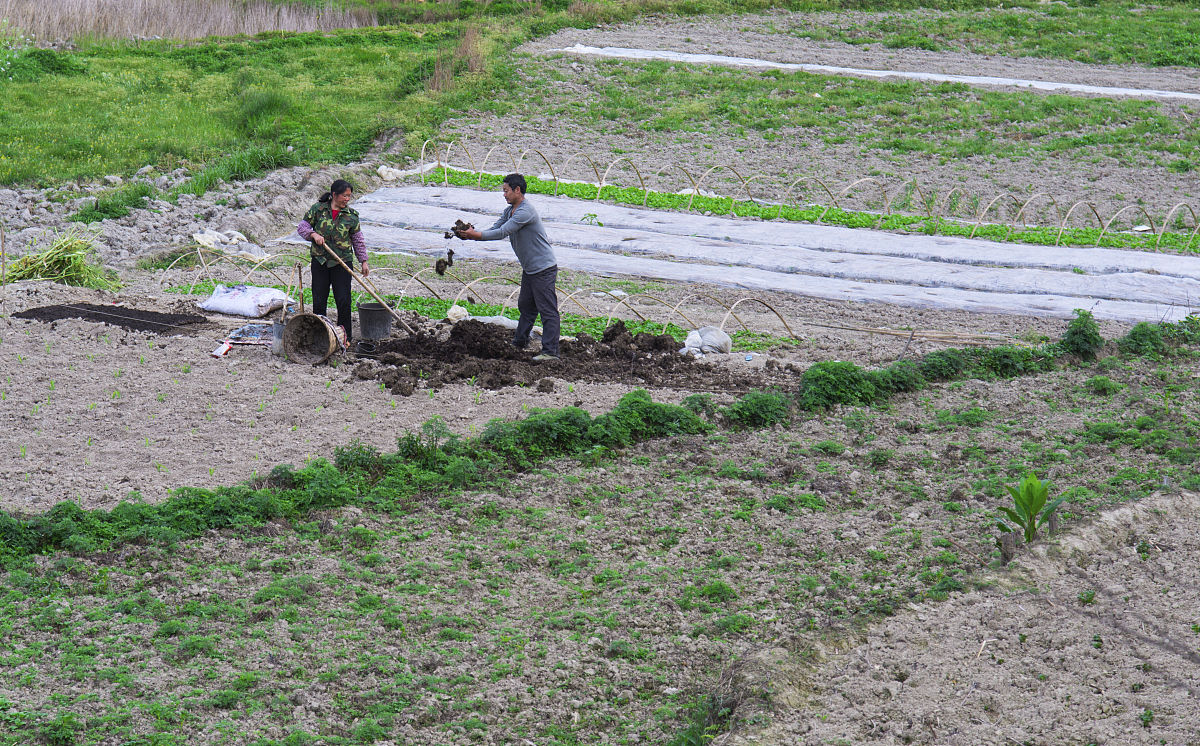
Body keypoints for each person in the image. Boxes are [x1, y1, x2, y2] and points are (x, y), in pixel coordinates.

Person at [456, 174, 560, 361]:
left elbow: (503, 232)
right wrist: (471, 234)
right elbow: (496, 227)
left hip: (543, 268)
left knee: (547, 310)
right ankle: (520, 342)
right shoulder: (510, 210)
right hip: (530, 269)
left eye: (506, 190)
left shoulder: (525, 211)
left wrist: (476, 235)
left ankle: (550, 352)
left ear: (517, 190)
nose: (503, 194)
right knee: (526, 306)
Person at [297, 179, 369, 342]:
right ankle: (320, 335)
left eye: (349, 196)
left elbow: (358, 240)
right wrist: (313, 235)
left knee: (343, 300)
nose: (347, 199)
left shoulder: (351, 216)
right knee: (319, 299)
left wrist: (363, 261)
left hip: (341, 263)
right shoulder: (318, 210)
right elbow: (302, 227)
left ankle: (345, 337)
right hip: (320, 261)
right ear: (334, 195)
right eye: (344, 195)